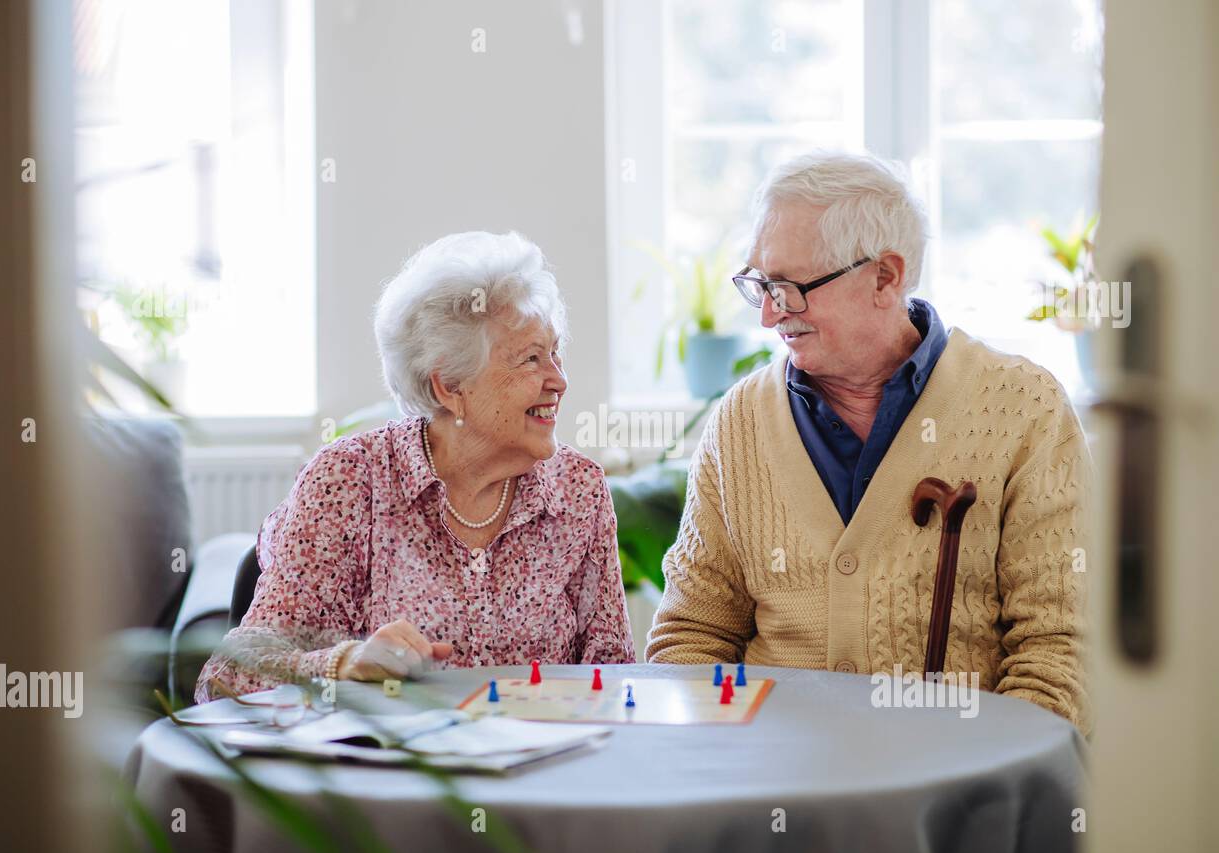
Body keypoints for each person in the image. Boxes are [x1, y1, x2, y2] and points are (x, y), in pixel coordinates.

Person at [646, 150, 1092, 733]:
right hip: (768, 791)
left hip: (958, 796)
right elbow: (692, 637)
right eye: (761, 285)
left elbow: (1059, 652)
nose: (768, 318)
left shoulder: (1026, 410)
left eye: (791, 287)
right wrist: (725, 775)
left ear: (886, 276)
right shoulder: (741, 421)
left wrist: (975, 789)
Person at [195, 231, 634, 702]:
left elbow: (614, 676)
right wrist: (341, 664)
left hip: (540, 767)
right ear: (449, 387)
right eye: (531, 359)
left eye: (554, 353)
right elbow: (225, 679)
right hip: (391, 770)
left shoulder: (579, 490)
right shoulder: (350, 481)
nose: (560, 380)